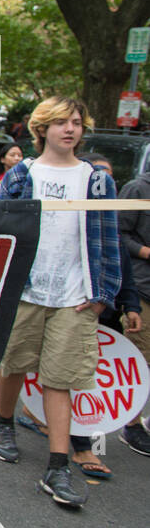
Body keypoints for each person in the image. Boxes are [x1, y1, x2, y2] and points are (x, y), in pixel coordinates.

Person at [0, 97, 120, 508]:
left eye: (78, 122)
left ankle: (58, 466)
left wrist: (103, 295)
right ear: (42, 128)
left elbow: (110, 238)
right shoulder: (21, 174)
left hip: (77, 296)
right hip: (25, 290)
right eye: (62, 122)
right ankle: (4, 423)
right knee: (14, 363)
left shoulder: (98, 181)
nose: (71, 129)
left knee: (59, 378)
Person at [117, 159, 150, 456]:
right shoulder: (138, 188)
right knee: (140, 361)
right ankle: (132, 425)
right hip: (143, 288)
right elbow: (119, 234)